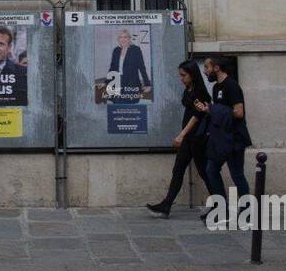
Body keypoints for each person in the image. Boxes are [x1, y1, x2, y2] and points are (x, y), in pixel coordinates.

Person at [147, 59, 223, 218]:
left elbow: (196, 116)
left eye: (184, 75)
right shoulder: (190, 89)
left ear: (192, 75)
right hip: (190, 138)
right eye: (180, 75)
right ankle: (166, 205)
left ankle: (220, 206)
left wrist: (182, 135)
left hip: (197, 138)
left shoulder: (200, 92)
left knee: (204, 172)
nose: (181, 78)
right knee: (178, 169)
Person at [195, 56, 251, 200]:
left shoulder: (231, 86)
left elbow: (239, 112)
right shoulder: (216, 88)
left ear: (216, 68)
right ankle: (222, 208)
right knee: (211, 170)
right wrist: (208, 110)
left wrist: (214, 110)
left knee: (237, 175)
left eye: (207, 67)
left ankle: (247, 211)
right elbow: (218, 112)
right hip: (220, 138)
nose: (205, 71)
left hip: (234, 138)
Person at [107, 28, 151, 102]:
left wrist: (147, 84)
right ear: (118, 39)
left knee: (129, 104)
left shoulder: (136, 50)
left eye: (125, 37)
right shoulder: (116, 50)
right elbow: (112, 68)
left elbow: (142, 68)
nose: (123, 39)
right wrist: (106, 83)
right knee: (116, 105)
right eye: (120, 37)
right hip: (117, 83)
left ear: (129, 38)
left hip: (131, 84)